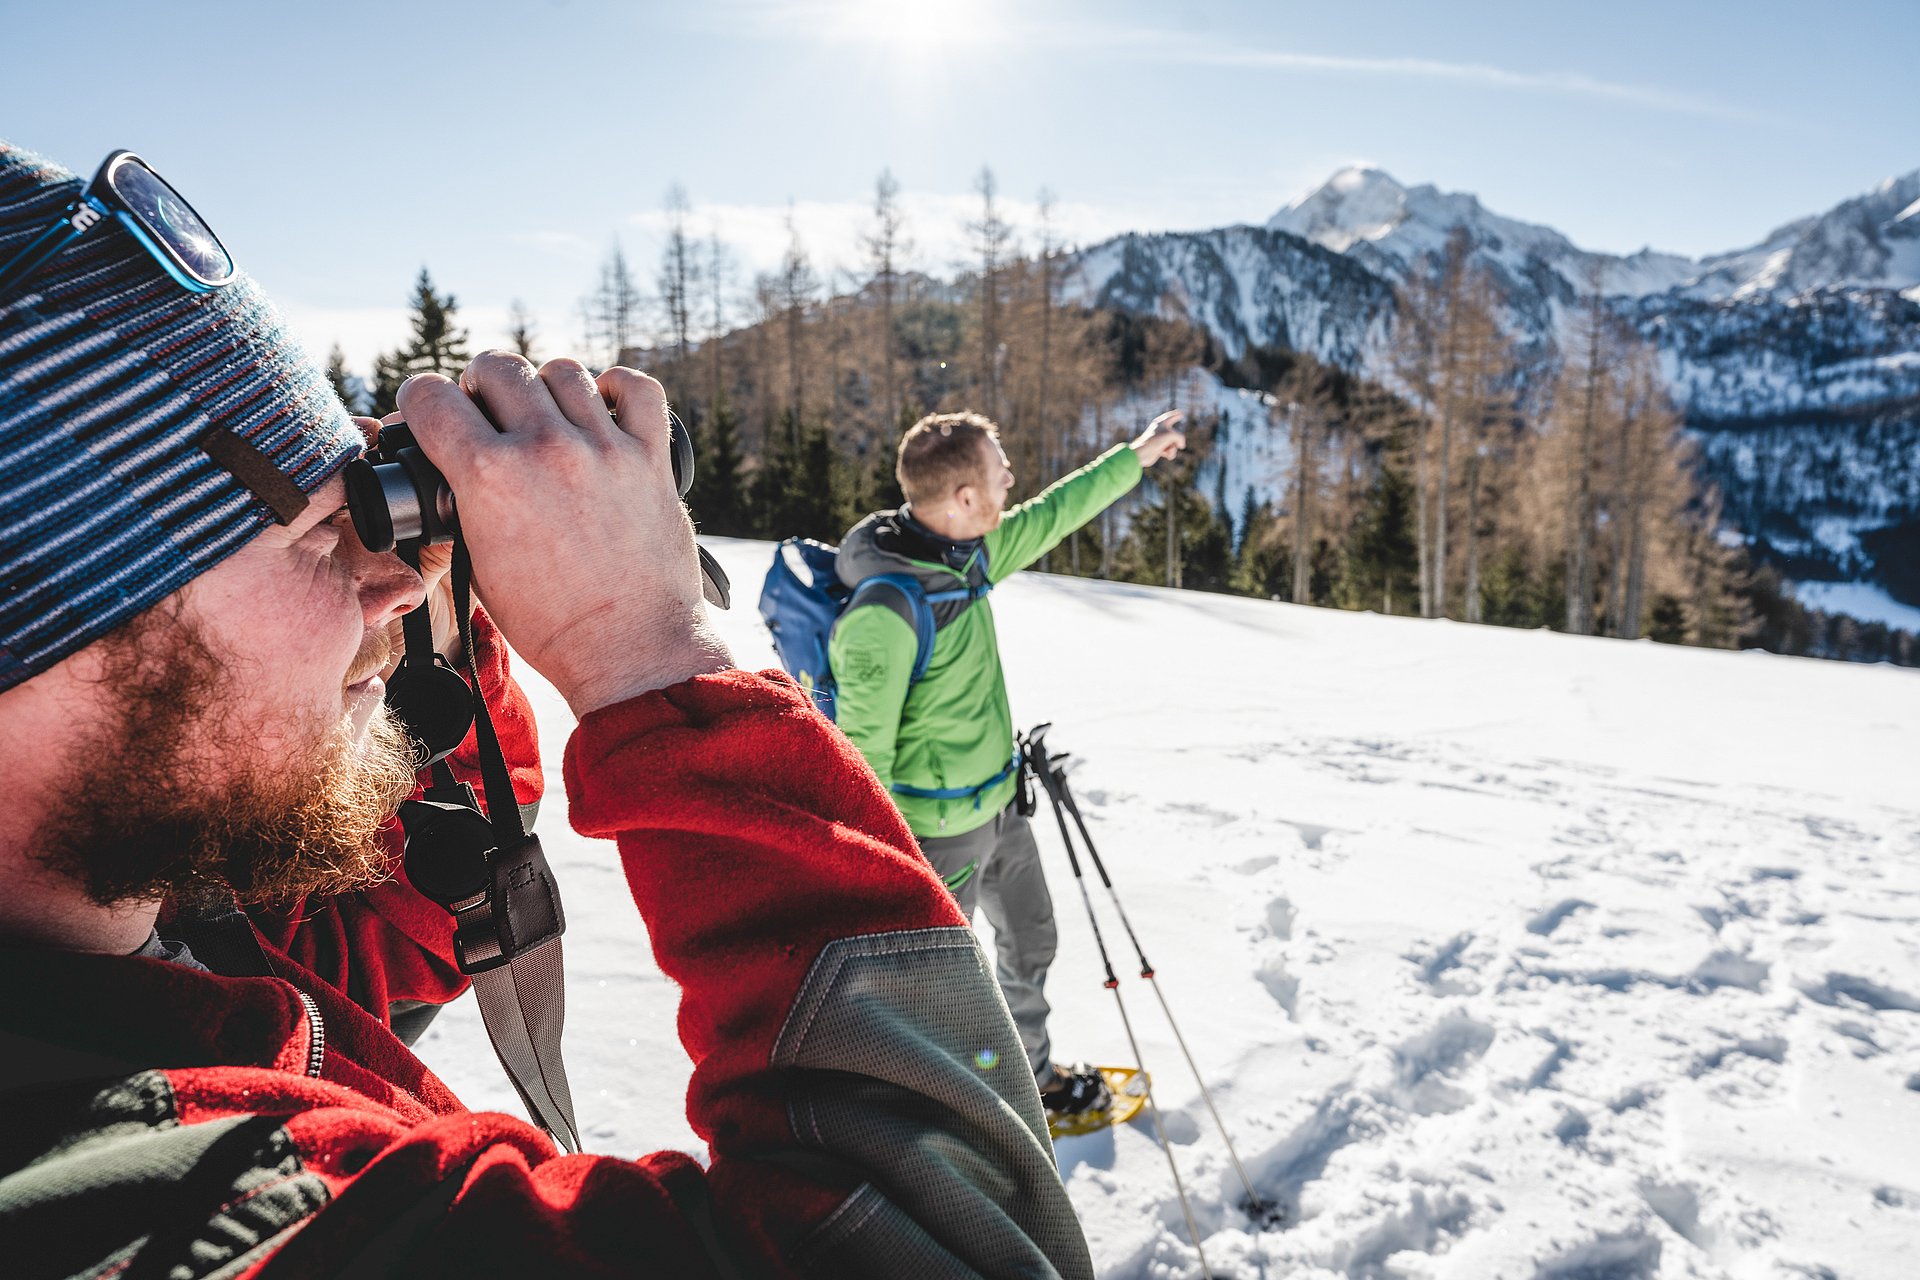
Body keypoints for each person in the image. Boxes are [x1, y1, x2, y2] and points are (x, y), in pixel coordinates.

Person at [0, 143, 1094, 1278]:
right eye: (311, 539)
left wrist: (444, 582)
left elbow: (410, 917)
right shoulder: (173, 1223)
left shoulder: (127, 930)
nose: (388, 581)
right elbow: (958, 1247)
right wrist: (652, 649)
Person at [828, 409, 1186, 1113]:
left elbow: (1056, 511)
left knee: (1032, 941)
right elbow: (859, 759)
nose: (1012, 483)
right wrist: (883, 866)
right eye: (1000, 473)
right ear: (965, 498)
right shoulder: (884, 612)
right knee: (941, 987)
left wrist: (1137, 457)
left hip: (1003, 810)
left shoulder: (973, 554)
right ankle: (950, 1113)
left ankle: (1034, 1080)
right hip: (937, 836)